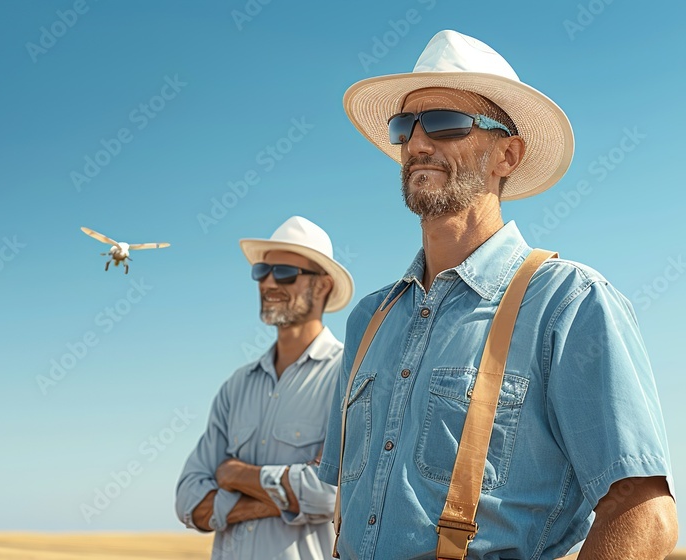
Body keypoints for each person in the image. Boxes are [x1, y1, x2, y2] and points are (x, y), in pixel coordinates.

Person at [317, 30, 678, 559]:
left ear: (506, 154)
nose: (417, 143)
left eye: (444, 123)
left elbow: (643, 515)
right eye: (405, 126)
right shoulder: (369, 318)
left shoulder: (570, 304)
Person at [175, 215, 355, 559]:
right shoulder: (236, 387)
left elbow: (337, 494)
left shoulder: (350, 379)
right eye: (262, 272)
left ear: (323, 285)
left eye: (285, 273)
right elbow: (188, 500)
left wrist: (233, 473)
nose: (268, 282)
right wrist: (284, 498)